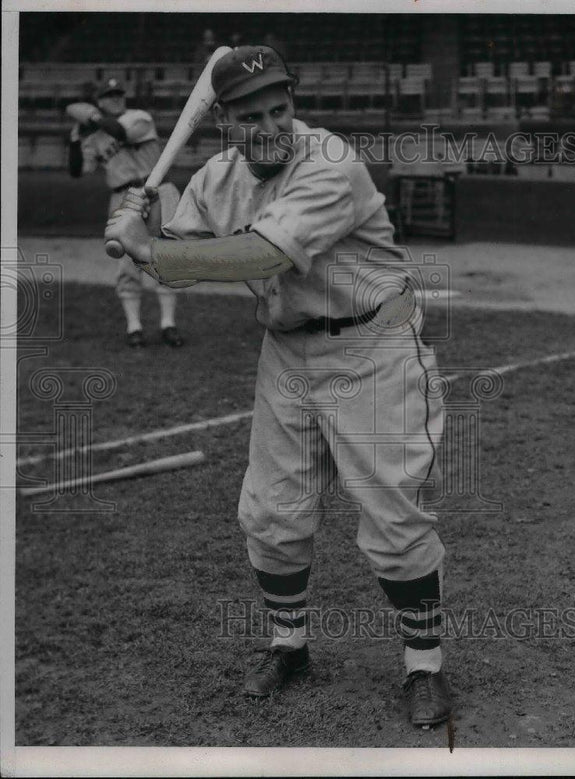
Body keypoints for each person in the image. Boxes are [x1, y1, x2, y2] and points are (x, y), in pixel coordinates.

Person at [105, 45, 452, 728]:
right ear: (224, 122)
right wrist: (141, 229)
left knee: (393, 515)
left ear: (293, 104)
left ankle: (424, 664)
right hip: (286, 349)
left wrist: (150, 249)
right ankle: (289, 645)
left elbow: (263, 253)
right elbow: (181, 261)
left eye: (279, 108)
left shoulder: (331, 163)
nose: (270, 126)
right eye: (250, 116)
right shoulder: (216, 177)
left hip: (372, 346)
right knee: (269, 511)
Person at [68, 77, 184, 348]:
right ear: (100, 100)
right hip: (122, 196)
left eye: (118, 93)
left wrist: (91, 116)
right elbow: (77, 171)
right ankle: (134, 327)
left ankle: (168, 324)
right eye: (109, 95)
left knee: (165, 257)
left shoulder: (138, 117)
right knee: (127, 262)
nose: (116, 98)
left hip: (157, 189)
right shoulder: (95, 137)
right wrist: (74, 139)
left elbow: (120, 133)